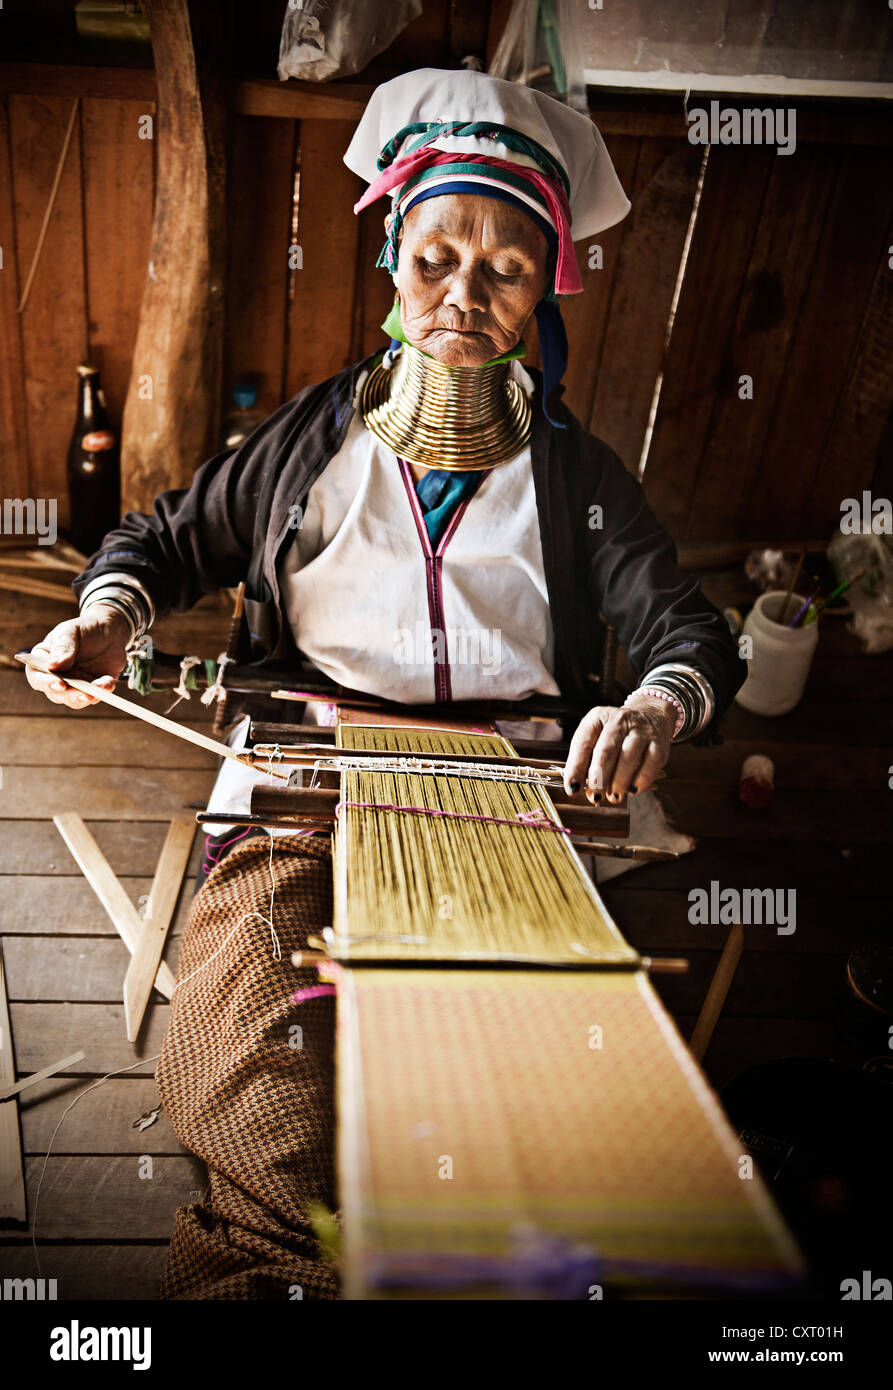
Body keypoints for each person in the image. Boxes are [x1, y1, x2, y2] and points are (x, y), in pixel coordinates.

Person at [25, 69, 743, 1297]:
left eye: (503, 269)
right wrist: (104, 619)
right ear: (392, 268)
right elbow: (158, 538)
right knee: (251, 1043)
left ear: (544, 290)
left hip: (511, 793)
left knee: (533, 1108)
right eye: (434, 258)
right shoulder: (311, 441)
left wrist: (650, 707)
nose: (463, 293)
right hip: (312, 765)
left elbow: (689, 637)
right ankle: (266, 1274)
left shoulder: (577, 481)